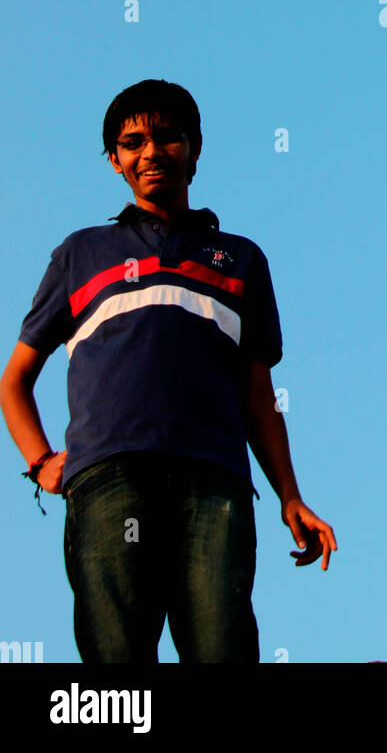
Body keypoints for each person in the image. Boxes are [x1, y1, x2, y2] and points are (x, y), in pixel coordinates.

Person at [0, 78, 336, 663]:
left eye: (167, 137)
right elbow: (14, 380)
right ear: (115, 162)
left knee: (222, 649)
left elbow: (259, 395)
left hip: (215, 482)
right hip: (107, 477)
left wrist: (290, 495)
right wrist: (39, 462)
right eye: (133, 142)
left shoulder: (241, 259)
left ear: (195, 149)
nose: (151, 151)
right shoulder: (80, 253)